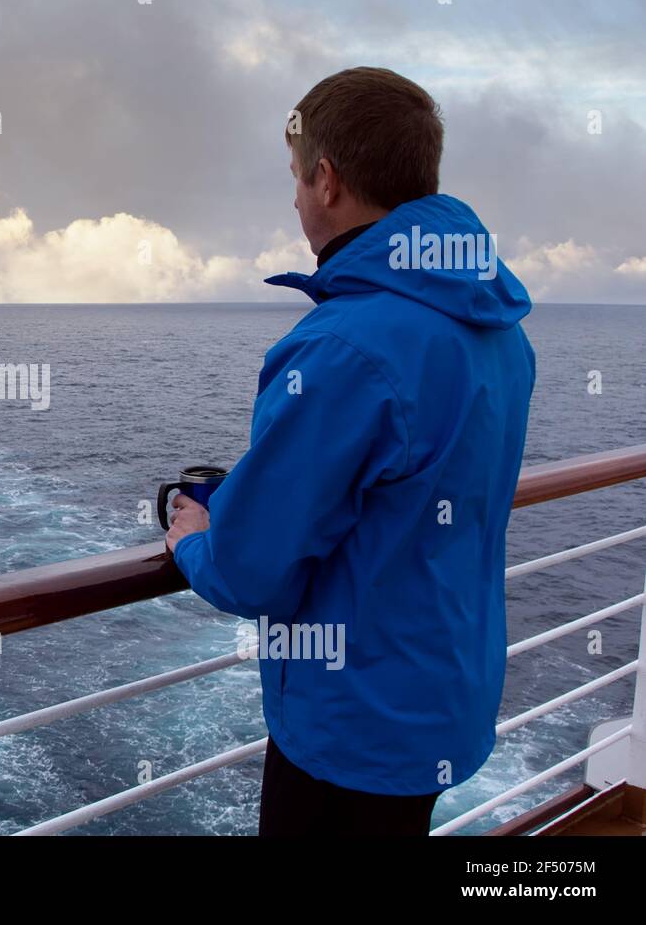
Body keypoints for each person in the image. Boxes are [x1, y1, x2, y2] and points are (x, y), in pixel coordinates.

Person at [164, 66, 536, 836]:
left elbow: (251, 570)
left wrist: (197, 539)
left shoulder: (343, 348)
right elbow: (401, 485)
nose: (296, 197)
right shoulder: (498, 328)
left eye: (297, 178)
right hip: (442, 696)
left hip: (352, 728)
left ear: (327, 180)